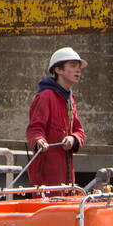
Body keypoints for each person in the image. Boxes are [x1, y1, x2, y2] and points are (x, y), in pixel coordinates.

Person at [26, 46, 86, 186]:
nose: (78, 70)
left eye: (79, 67)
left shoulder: (69, 99)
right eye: (73, 66)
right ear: (58, 70)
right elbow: (35, 128)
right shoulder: (45, 97)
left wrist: (73, 139)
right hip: (46, 177)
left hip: (66, 177)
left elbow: (79, 131)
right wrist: (39, 140)